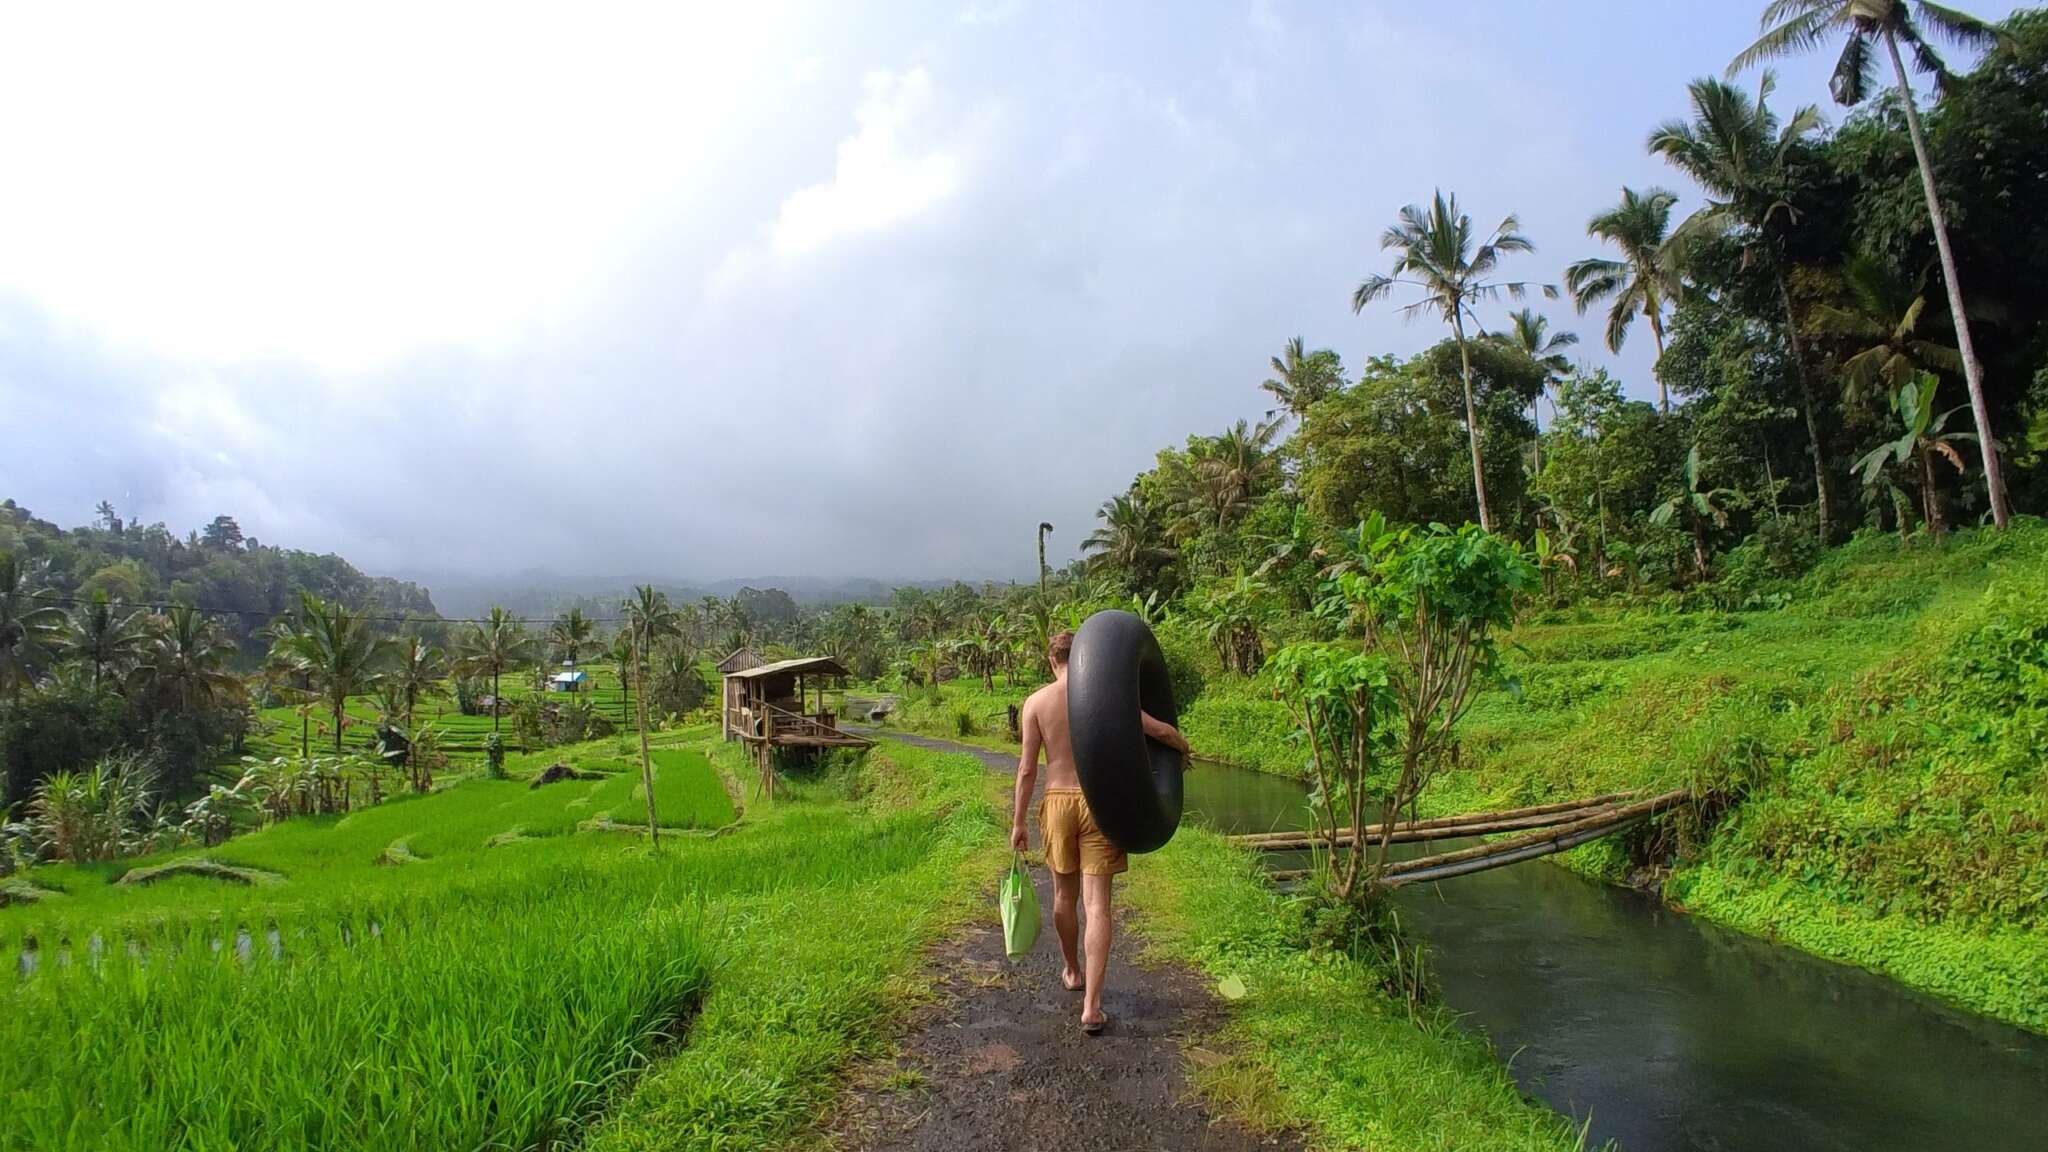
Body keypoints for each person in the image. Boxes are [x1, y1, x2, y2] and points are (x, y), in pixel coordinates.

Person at [1011, 629, 1189, 1034]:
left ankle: (1072, 970)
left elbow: (1026, 769)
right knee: (1097, 906)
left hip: (1057, 801)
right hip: (1100, 802)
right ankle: (1091, 1007)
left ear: (1051, 661)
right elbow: (1159, 731)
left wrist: (1019, 822)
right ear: (1085, 654)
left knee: (1063, 895)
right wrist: (1182, 746)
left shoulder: (1036, 702)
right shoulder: (1105, 697)